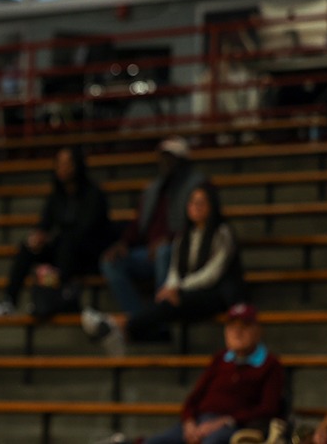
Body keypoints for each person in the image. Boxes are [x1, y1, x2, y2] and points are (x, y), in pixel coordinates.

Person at [83, 184, 245, 355]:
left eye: (201, 203)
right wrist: (170, 287)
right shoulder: (184, 236)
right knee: (167, 300)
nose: (196, 207)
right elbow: (174, 269)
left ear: (212, 206)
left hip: (214, 294)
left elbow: (213, 273)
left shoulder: (223, 233)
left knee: (172, 301)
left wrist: (178, 287)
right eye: (192, 202)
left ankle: (119, 325)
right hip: (187, 292)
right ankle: (123, 329)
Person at [0, 146, 113, 318]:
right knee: (28, 247)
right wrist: (38, 237)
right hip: (62, 252)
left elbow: (86, 231)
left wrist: (52, 238)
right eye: (59, 164)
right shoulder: (57, 195)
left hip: (88, 254)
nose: (62, 168)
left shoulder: (94, 194)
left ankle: (51, 299)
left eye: (66, 164)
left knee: (67, 243)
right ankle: (9, 301)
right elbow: (45, 223)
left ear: (77, 165)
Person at [144, 303, 285, 444]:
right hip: (199, 422)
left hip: (235, 426)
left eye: (244, 326)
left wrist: (226, 421)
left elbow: (268, 408)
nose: (237, 332)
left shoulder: (270, 364)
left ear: (258, 331)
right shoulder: (220, 358)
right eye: (232, 327)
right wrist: (189, 423)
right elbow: (193, 399)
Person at [100, 136, 207, 316]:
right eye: (162, 158)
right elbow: (138, 223)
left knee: (164, 251)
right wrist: (124, 243)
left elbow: (200, 225)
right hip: (148, 251)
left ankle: (160, 316)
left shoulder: (197, 187)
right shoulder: (153, 189)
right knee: (110, 262)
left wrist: (170, 239)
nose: (164, 163)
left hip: (181, 249)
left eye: (170, 158)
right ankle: (139, 318)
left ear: (182, 161)